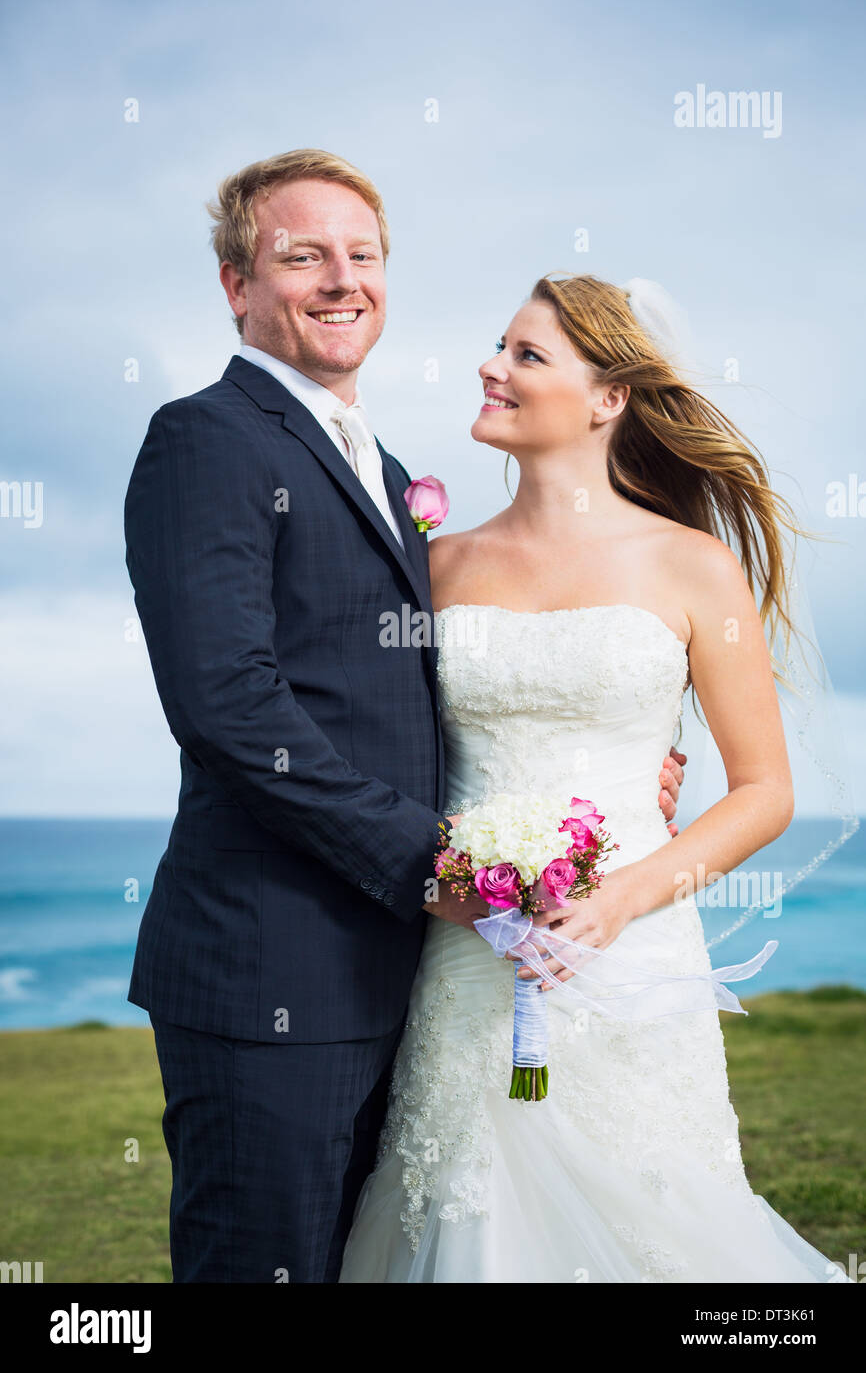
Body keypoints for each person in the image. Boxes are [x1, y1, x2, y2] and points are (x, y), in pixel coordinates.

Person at [123, 148, 687, 1283]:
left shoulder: (386, 473)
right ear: (237, 283)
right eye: (302, 256)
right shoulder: (205, 440)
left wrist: (616, 766)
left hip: (409, 984)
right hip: (268, 970)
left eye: (362, 255)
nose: (342, 279)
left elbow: (412, 686)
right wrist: (439, 863)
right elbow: (229, 704)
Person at [338, 274, 849, 1283]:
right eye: (497, 346)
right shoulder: (433, 567)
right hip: (462, 949)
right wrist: (444, 882)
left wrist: (616, 901)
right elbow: (379, 760)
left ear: (607, 397)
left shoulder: (694, 566)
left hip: (629, 946)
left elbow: (762, 791)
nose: (489, 366)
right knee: (464, 1201)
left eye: (526, 355)